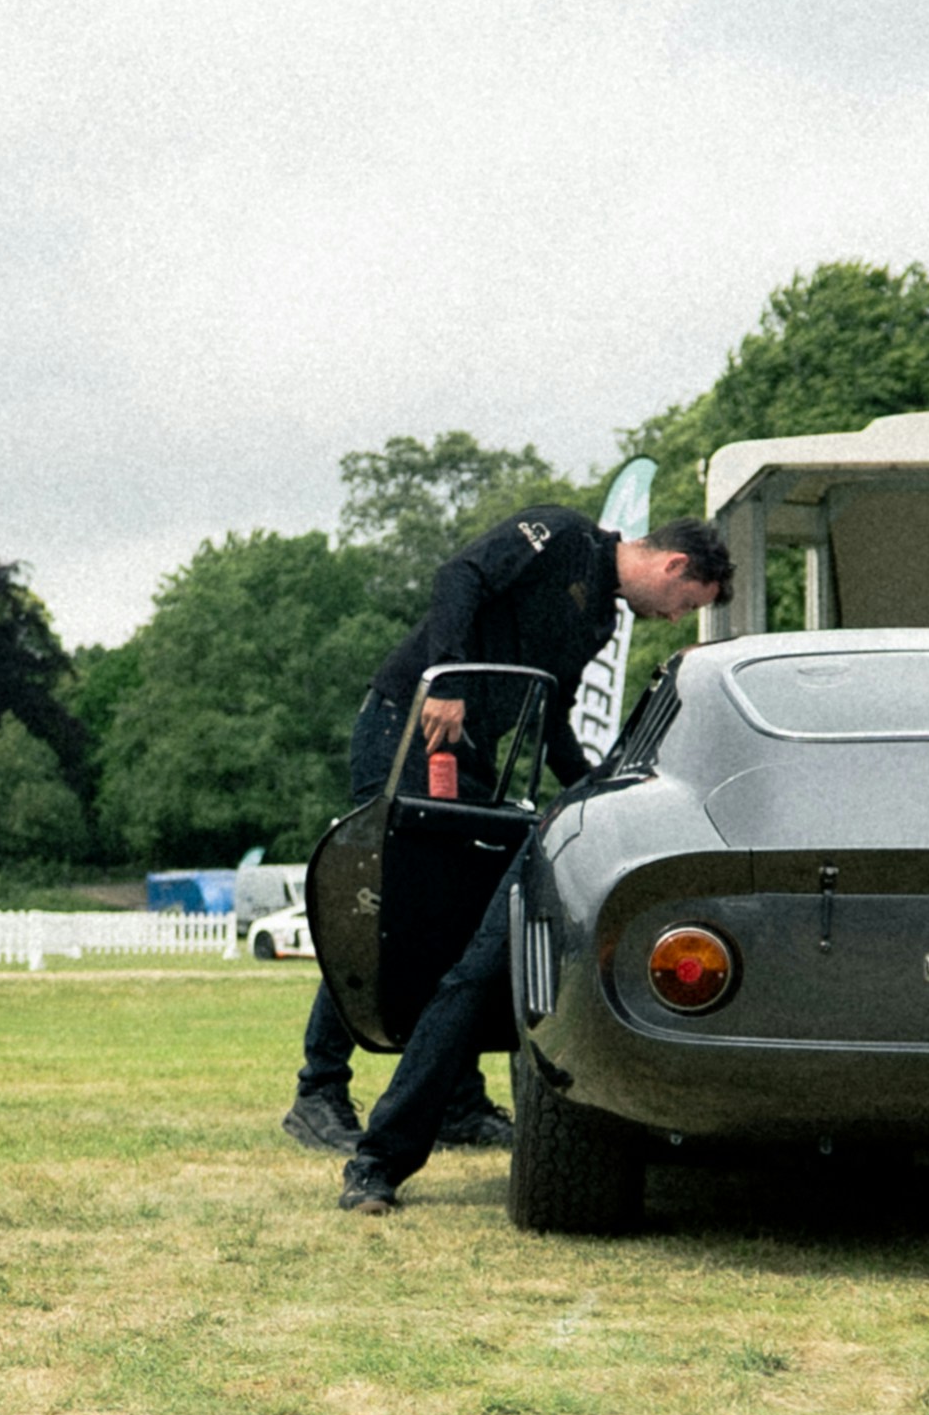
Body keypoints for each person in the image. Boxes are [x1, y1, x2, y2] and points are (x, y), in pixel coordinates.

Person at [293, 507, 733, 1208]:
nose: (676, 619)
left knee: (460, 922)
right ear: (675, 566)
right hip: (406, 724)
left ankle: (460, 1103)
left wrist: (596, 787)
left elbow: (551, 712)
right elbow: (458, 577)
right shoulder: (559, 535)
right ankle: (318, 1089)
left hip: (461, 750)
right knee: (393, 909)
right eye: (686, 605)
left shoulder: (596, 623)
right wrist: (446, 682)